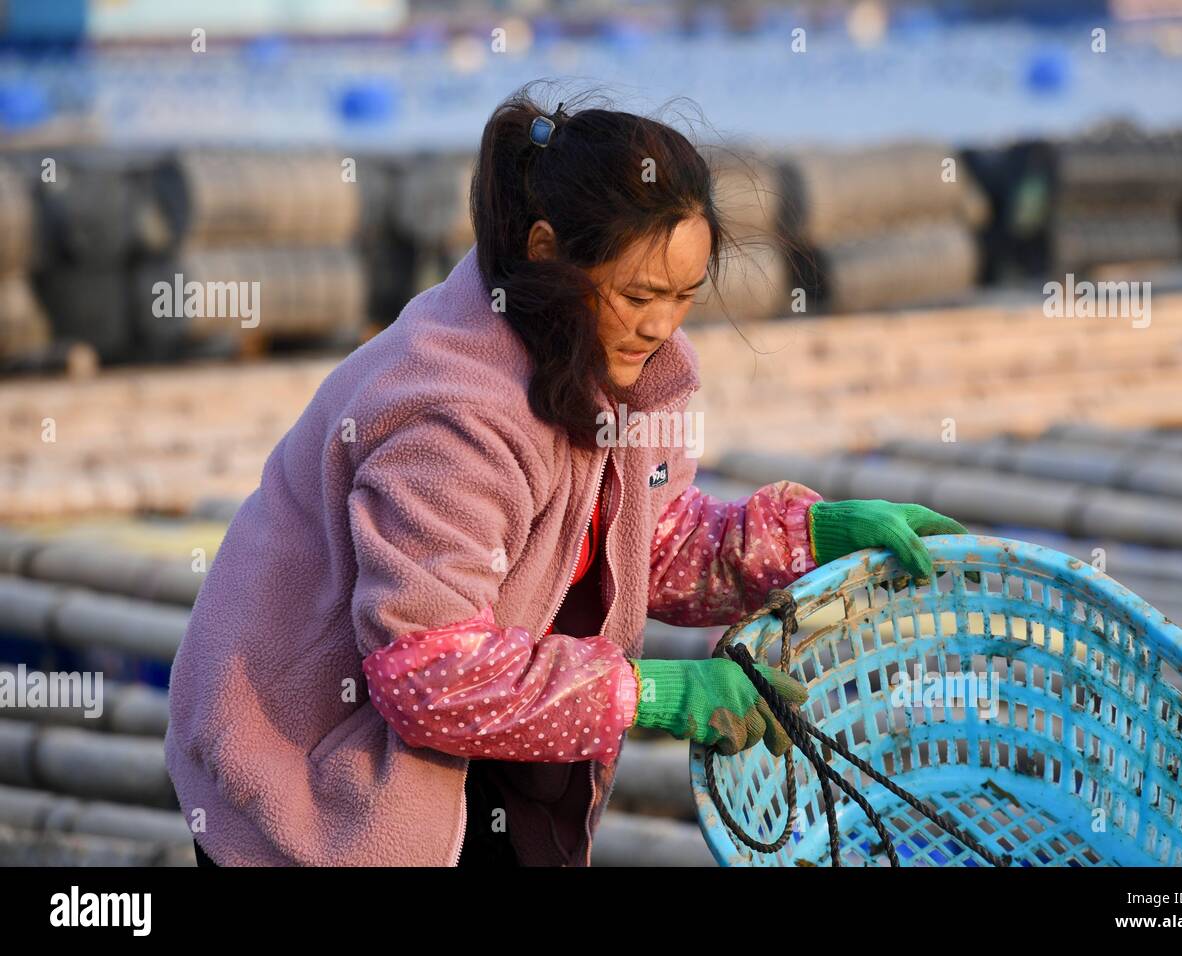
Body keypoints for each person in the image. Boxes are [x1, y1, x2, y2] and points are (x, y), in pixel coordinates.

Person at [165, 83, 968, 867]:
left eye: (685, 296)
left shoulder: (624, 366)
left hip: (482, 738)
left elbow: (643, 544)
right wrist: (650, 692)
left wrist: (810, 538)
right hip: (318, 776)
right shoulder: (451, 418)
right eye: (638, 294)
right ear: (546, 252)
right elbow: (426, 673)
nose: (661, 326)